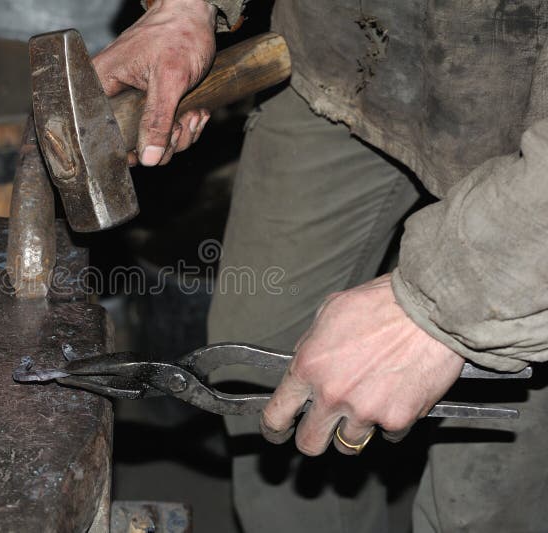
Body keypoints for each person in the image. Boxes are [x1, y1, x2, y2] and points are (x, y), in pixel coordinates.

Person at [93, 1, 548, 531]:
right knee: (255, 376)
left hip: (531, 107)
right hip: (348, 49)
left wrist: (440, 304)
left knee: (480, 500)